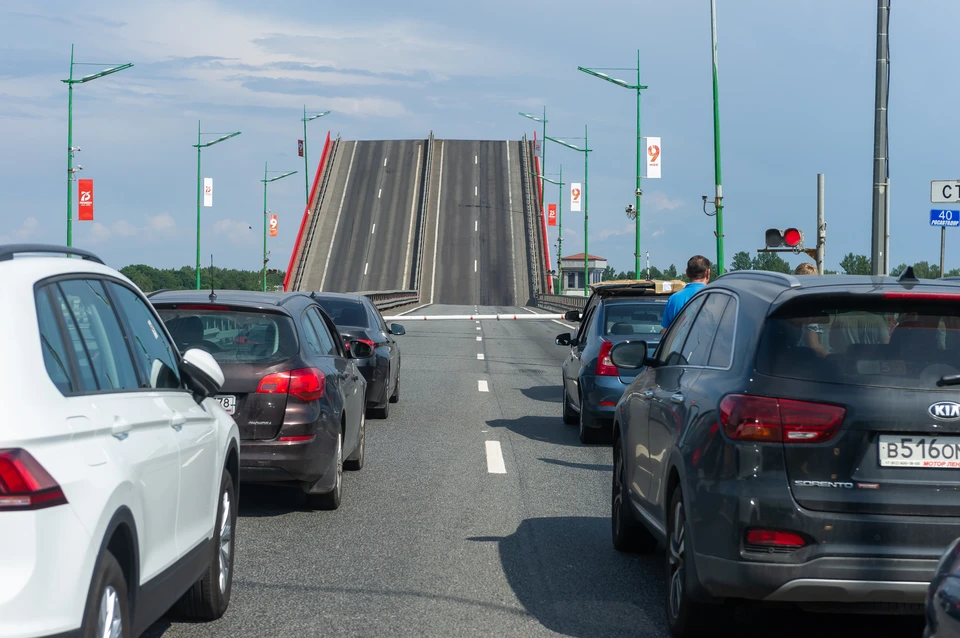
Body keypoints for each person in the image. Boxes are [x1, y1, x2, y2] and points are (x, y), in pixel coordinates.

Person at [661, 255, 711, 334]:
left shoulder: (673, 299)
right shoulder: (715, 298)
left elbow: (665, 332)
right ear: (708, 273)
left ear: (687, 272)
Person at [793, 262, 831, 357]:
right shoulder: (816, 305)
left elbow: (814, 344)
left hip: (802, 360)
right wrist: (832, 358)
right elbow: (814, 345)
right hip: (815, 361)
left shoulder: (797, 305)